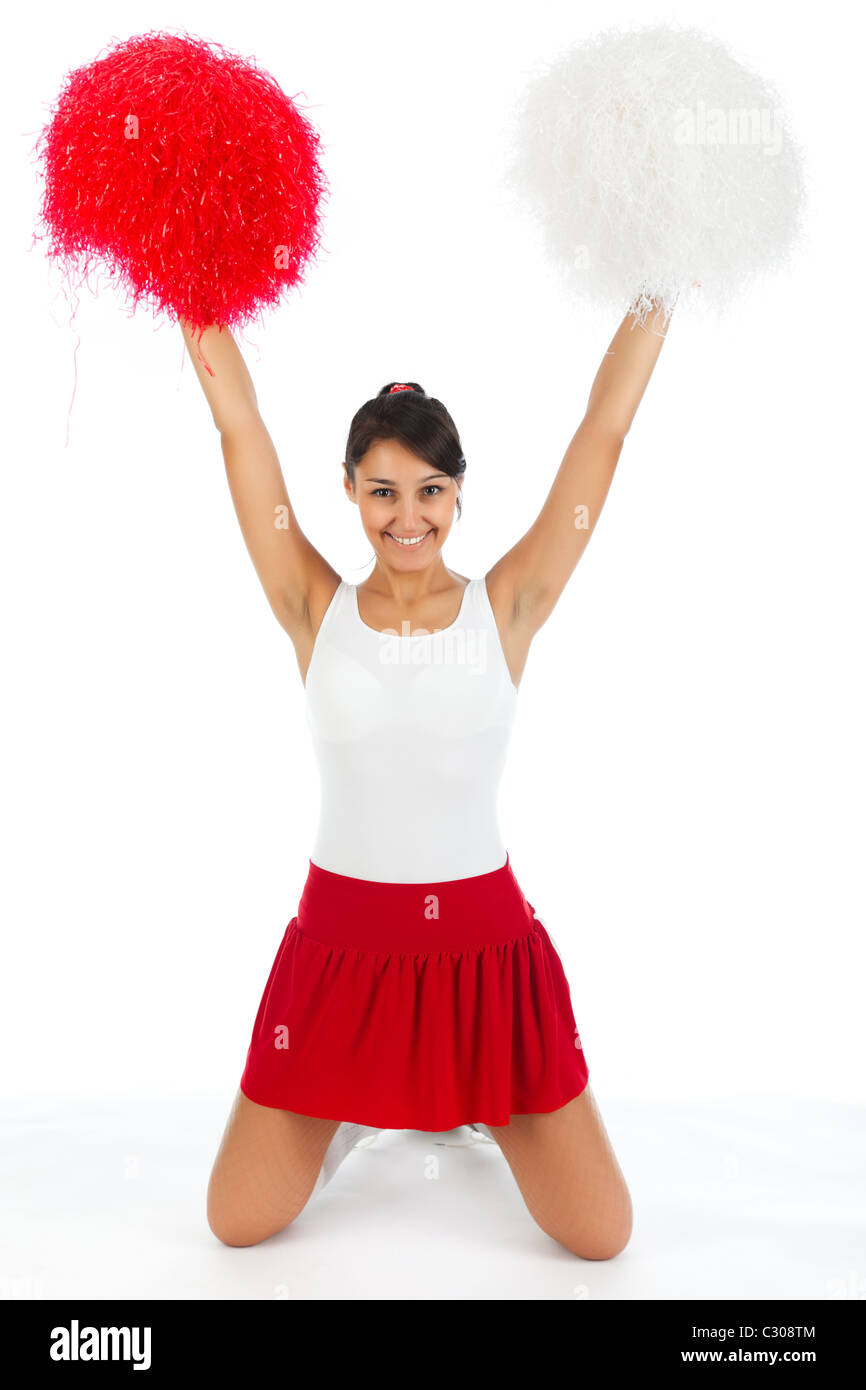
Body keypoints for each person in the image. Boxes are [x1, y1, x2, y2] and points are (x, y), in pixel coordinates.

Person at [180, 301, 671, 1257]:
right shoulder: (313, 605)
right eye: (383, 492)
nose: (408, 517)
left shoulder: (508, 605)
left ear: (457, 495)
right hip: (340, 952)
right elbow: (238, 427)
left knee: (602, 1236)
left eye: (430, 491)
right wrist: (184, 278)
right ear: (353, 494)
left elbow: (602, 433)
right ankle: (359, 1112)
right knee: (235, 1223)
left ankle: (472, 1105)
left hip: (483, 954)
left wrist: (663, 281)